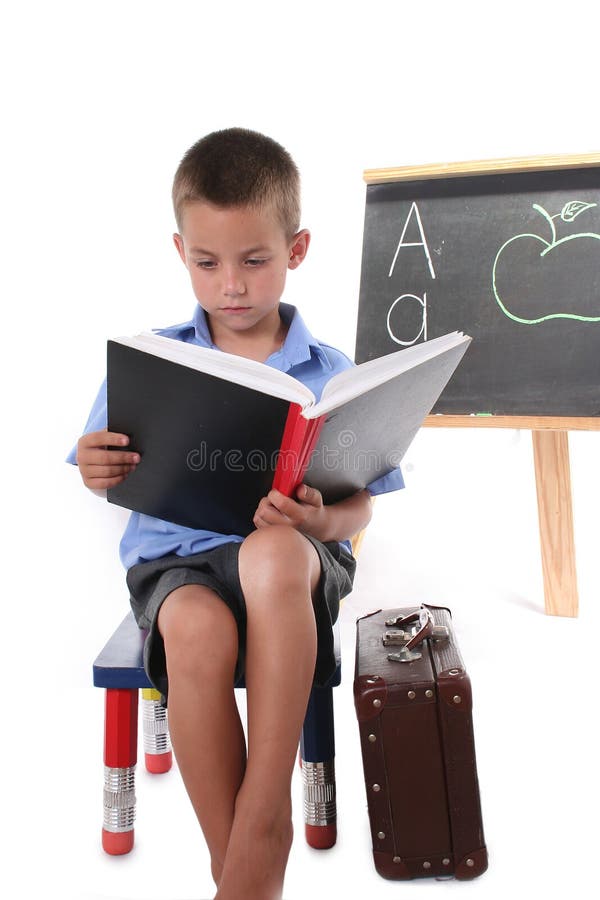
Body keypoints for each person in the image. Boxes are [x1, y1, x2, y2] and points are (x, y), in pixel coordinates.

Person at [68, 127, 404, 900]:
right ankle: (249, 862)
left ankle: (261, 820)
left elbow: (362, 508)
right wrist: (95, 466)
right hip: (177, 567)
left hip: (293, 565)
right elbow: (100, 468)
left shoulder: (329, 371)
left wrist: (321, 522)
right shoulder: (158, 357)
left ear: (298, 248)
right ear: (180, 250)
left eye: (255, 261)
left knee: (271, 551)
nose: (232, 285)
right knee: (192, 627)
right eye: (207, 262)